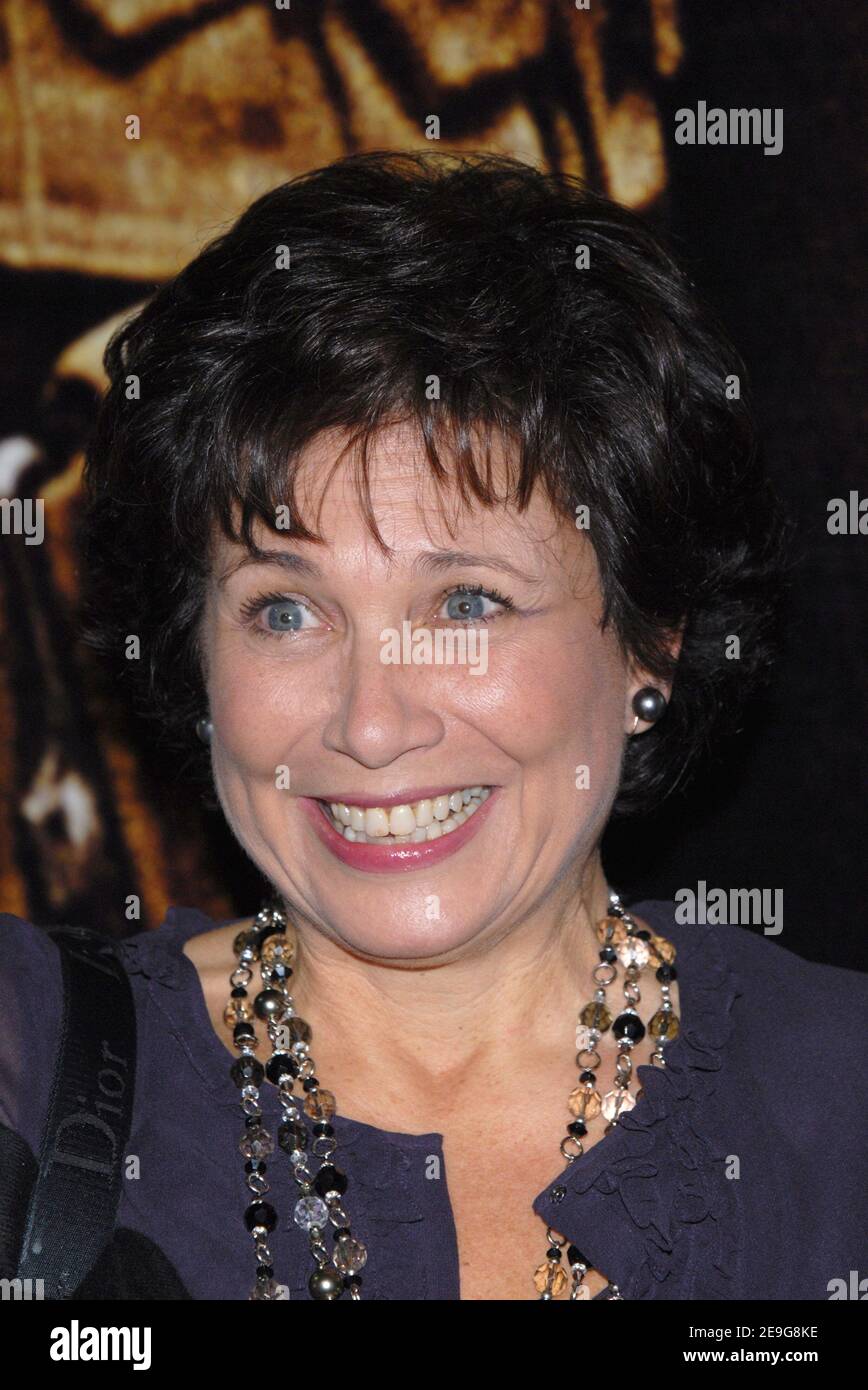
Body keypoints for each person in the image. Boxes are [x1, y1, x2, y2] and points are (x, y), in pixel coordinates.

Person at [1, 150, 865, 1302]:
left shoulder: (837, 1101)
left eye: (466, 603)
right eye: (286, 609)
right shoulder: (29, 1057)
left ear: (650, 643)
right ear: (196, 654)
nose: (370, 722)